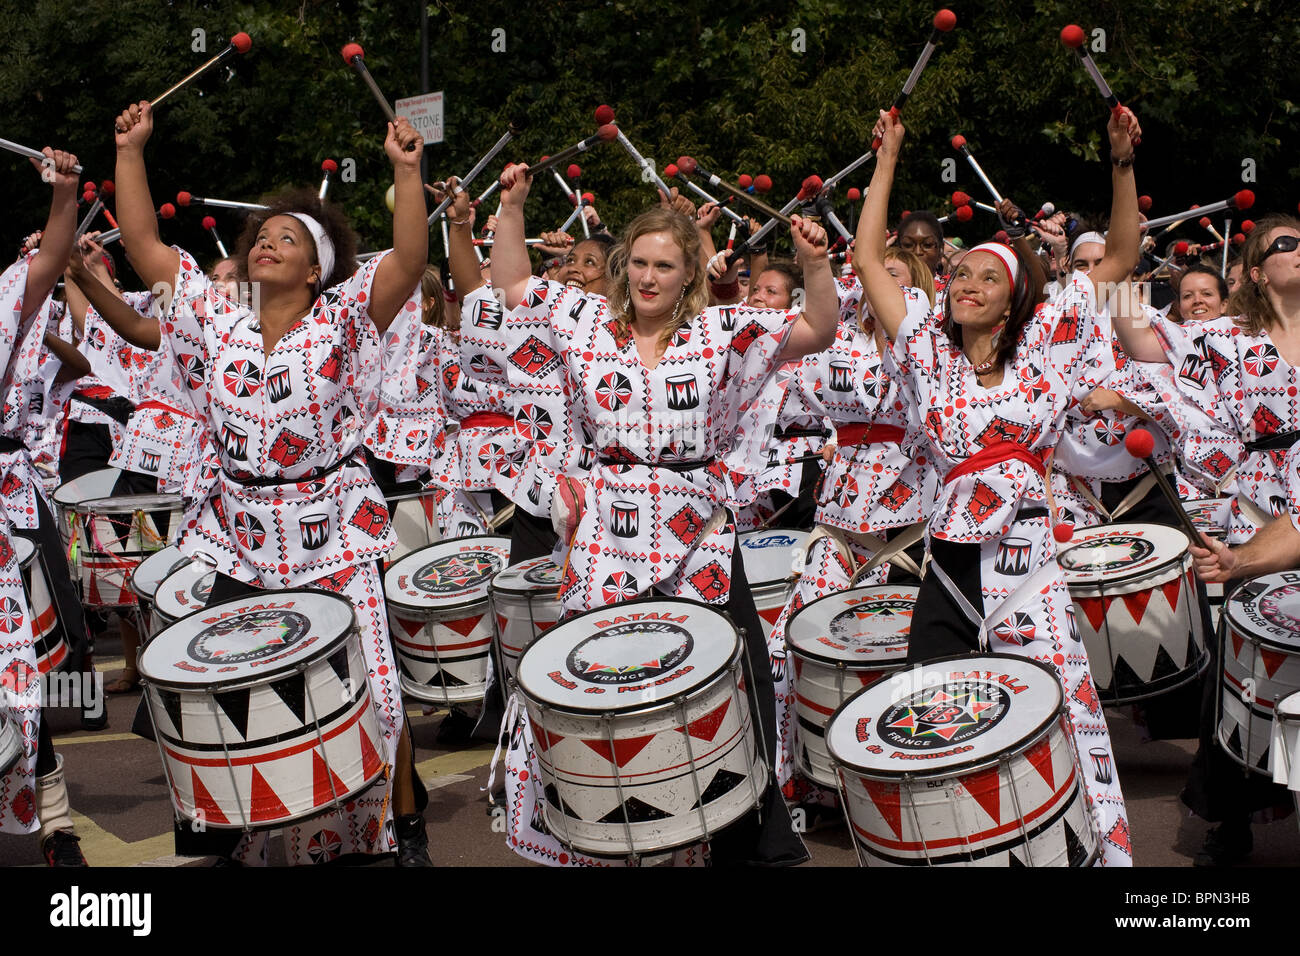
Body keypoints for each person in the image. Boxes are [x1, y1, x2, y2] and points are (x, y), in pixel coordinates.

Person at [460, 159, 841, 866]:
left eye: (664, 265)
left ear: (689, 275)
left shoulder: (724, 331)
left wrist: (815, 264)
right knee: (600, 674)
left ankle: (756, 835)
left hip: (696, 529)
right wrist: (510, 208)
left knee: (736, 670)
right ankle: (608, 829)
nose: (647, 276)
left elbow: (819, 328)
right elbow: (514, 287)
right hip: (608, 526)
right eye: (636, 261)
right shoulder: (581, 319)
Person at [113, 99, 433, 866]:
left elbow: (410, 259)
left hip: (333, 531)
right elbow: (145, 247)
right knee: (216, 690)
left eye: (287, 238)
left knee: (376, 697)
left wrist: (407, 170)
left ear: (316, 268)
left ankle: (397, 831)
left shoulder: (345, 320)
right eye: (261, 236)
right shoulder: (213, 318)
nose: (266, 245)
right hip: (240, 536)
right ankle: (225, 834)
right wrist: (130, 152)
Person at [855, 105, 1142, 866]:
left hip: (1027, 561)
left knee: (1057, 712)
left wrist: (1120, 163)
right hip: (948, 564)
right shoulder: (925, 348)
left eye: (990, 277)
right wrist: (887, 159)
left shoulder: (1047, 345)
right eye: (961, 273)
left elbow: (1117, 256)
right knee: (931, 717)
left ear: (1016, 299)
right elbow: (862, 256)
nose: (968, 285)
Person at [1111, 213, 1300, 865]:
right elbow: (1142, 346)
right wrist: (1117, 254)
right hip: (1257, 512)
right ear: (1253, 270)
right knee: (1247, 675)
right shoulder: (1222, 337)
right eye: (1287, 244)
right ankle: (1232, 819)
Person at [0, 144, 89, 864]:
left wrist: (64, 195)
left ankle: (56, 827)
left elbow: (51, 260)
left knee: (16, 680)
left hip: (10, 501)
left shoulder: (2, 302)